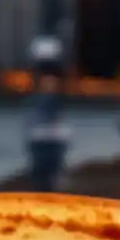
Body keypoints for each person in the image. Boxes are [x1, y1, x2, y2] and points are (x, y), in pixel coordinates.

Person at [25, 36, 70, 192]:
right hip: (48, 137)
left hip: (46, 138)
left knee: (46, 182)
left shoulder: (48, 85)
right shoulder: (50, 84)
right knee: (48, 181)